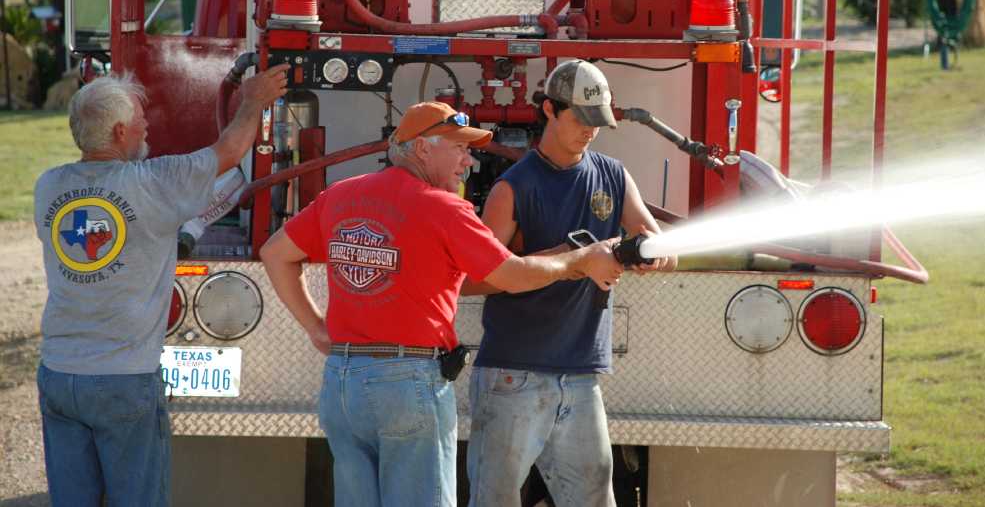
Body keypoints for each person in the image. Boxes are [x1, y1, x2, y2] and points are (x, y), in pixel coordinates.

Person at [259, 101, 625, 507]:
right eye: (459, 148)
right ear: (422, 149)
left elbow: (275, 253)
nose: (469, 161)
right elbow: (511, 275)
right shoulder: (444, 208)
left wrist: (315, 326)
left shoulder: (341, 196)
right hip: (408, 384)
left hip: (342, 384)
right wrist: (578, 259)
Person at [33, 64, 288, 507]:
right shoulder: (152, 184)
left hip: (58, 374)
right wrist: (252, 101)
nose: (146, 125)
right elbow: (228, 153)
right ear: (117, 132)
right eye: (138, 119)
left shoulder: (48, 186)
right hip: (124, 379)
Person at [466, 60, 674, 506]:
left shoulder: (614, 175)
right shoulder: (512, 189)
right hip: (513, 375)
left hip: (580, 377)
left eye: (598, 121)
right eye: (580, 119)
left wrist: (649, 254)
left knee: (595, 499)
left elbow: (657, 242)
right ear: (549, 110)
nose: (590, 131)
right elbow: (471, 279)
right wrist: (574, 260)